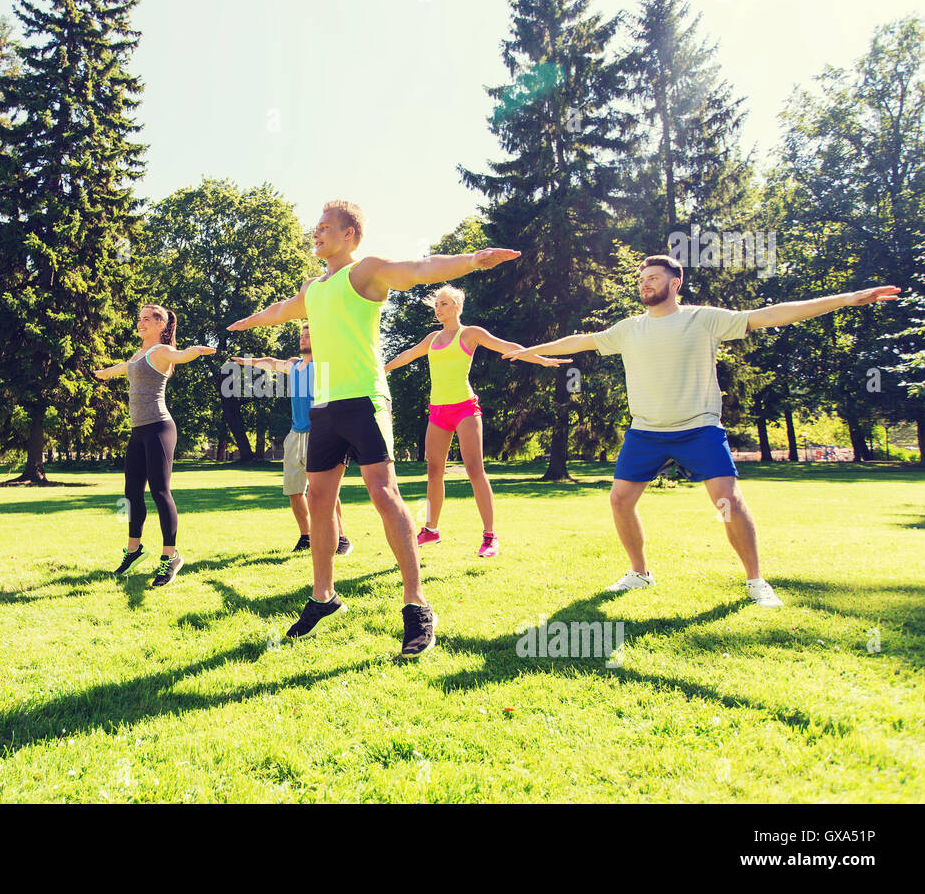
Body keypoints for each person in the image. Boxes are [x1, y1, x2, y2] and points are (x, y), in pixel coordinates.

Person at [504, 254, 898, 607]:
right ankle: (639, 573)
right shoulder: (628, 329)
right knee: (620, 500)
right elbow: (583, 341)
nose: (645, 284)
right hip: (646, 431)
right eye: (642, 279)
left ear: (675, 284)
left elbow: (772, 313)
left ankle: (756, 580)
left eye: (654, 278)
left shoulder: (702, 319)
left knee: (727, 499)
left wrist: (845, 299)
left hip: (699, 427)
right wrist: (529, 351)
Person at [228, 199, 520, 657]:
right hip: (324, 405)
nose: (316, 233)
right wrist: (253, 320)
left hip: (364, 399)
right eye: (315, 227)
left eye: (326, 227)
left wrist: (471, 260)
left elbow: (420, 268)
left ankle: (417, 603)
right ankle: (323, 597)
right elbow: (284, 309)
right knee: (319, 499)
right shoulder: (315, 287)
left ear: (350, 235)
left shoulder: (365, 272)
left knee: (384, 493)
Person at [384, 284, 569, 557]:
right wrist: (383, 369)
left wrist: (539, 359)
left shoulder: (469, 334)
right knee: (434, 470)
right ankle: (431, 530)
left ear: (457, 306)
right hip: (438, 410)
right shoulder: (432, 338)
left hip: (464, 409)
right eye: (437, 304)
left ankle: (490, 536)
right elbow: (407, 355)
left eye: (444, 303)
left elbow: (507, 346)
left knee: (474, 470)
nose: (439, 308)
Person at [95, 305, 214, 587]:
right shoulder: (138, 355)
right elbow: (124, 367)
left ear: (162, 325)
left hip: (159, 429)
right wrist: (103, 372)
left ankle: (170, 558)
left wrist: (192, 351)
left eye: (148, 317)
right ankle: (134, 550)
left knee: (160, 492)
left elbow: (179, 355)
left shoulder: (161, 351)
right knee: (132, 492)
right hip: (138, 432)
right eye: (140, 317)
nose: (141, 321)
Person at [231, 322, 352, 555]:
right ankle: (306, 536)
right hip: (295, 435)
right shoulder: (295, 366)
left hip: (320, 434)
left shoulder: (325, 366)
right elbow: (271, 362)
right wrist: (250, 362)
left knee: (325, 490)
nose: (303, 338)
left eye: (308, 335)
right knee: (294, 490)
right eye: (302, 335)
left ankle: (341, 537)